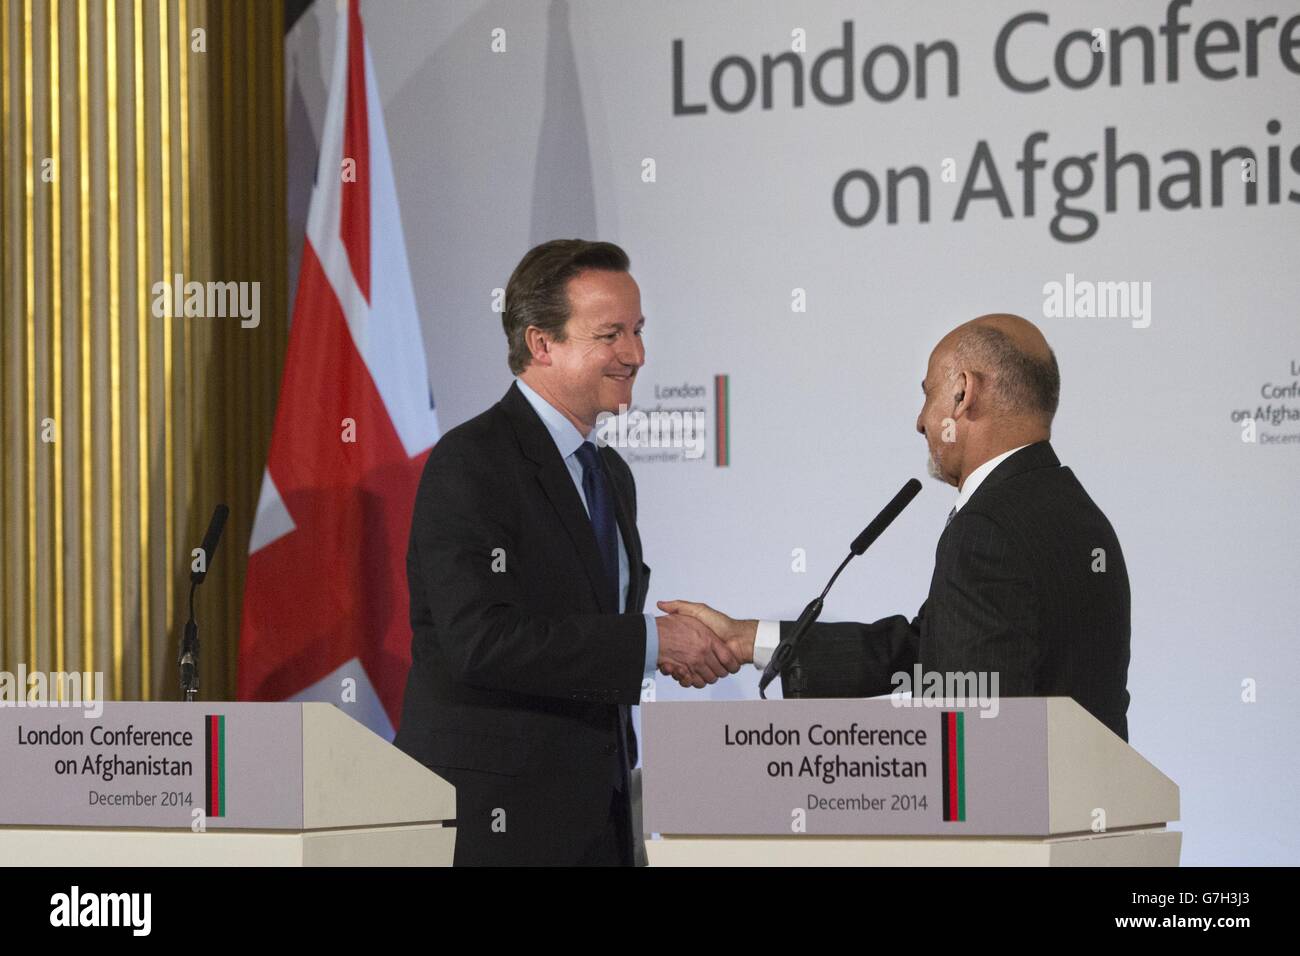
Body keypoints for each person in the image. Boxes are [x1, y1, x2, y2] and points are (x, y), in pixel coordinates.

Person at [395, 239, 740, 866]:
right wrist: (655, 643)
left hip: (598, 815)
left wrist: (668, 648)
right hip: (495, 821)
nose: (636, 354)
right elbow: (480, 641)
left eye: (637, 331)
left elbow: (588, 634)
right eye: (611, 335)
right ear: (541, 344)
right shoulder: (471, 463)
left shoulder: (609, 473)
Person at [662, 314, 1132, 741]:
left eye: (928, 394)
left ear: (963, 392)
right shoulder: (1079, 513)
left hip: (1018, 823)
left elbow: (974, 730)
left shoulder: (987, 527)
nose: (920, 421)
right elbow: (922, 653)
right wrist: (747, 639)